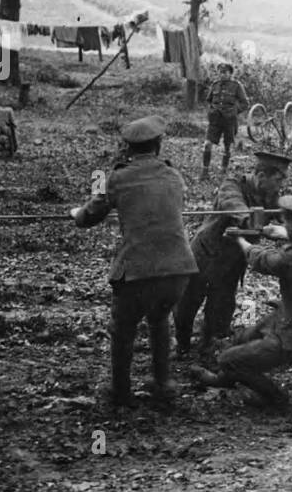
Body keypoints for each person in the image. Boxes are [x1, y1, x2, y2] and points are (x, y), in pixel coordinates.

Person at [71, 115, 197, 408]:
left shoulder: (117, 177)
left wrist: (76, 213)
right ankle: (163, 384)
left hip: (139, 270)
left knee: (123, 328)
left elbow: (89, 216)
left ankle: (120, 392)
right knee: (160, 319)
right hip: (179, 268)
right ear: (159, 145)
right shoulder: (174, 176)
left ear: (127, 148)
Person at [190, 195, 292, 412]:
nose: (283, 225)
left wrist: (241, 240)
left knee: (228, 359)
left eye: (286, 221)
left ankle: (276, 399)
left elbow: (263, 260)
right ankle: (226, 379)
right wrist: (278, 233)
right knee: (242, 338)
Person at [174, 148, 289, 357]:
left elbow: (283, 215)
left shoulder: (270, 194)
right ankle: (181, 344)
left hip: (233, 259)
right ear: (262, 176)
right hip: (206, 253)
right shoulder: (232, 185)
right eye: (278, 180)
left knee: (221, 304)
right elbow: (233, 204)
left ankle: (207, 344)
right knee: (188, 301)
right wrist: (251, 220)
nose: (280, 186)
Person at [202, 62, 249, 179]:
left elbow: (245, 103)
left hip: (229, 121)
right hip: (215, 120)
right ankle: (205, 171)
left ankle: (223, 170)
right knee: (207, 144)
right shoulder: (215, 85)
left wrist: (234, 111)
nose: (222, 75)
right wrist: (211, 111)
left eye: (225, 73)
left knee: (227, 146)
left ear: (230, 74)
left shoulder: (236, 86)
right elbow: (208, 100)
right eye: (220, 72)